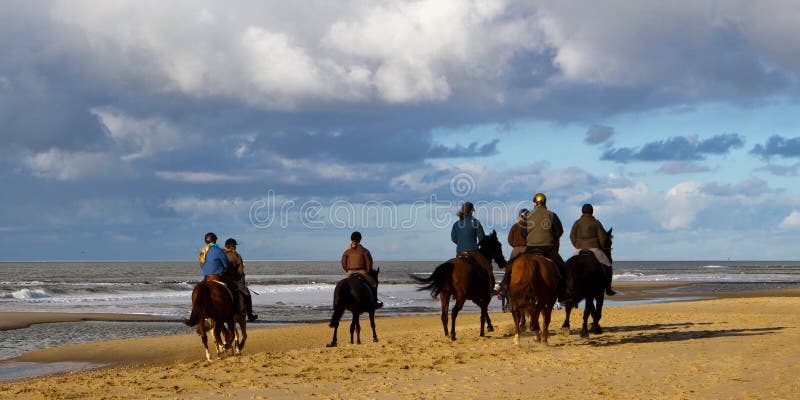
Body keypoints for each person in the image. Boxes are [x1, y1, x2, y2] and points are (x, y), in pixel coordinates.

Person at [521, 193, 568, 298]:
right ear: (545, 202)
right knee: (563, 268)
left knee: (514, 264)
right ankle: (563, 294)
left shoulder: (527, 216)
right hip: (548, 248)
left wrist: (531, 240)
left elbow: (523, 233)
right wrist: (552, 238)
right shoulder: (552, 215)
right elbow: (559, 231)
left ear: (534, 203)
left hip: (531, 248)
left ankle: (508, 289)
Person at [570, 203, 615, 295]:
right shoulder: (596, 223)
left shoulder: (577, 223)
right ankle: (608, 288)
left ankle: (568, 289)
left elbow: (572, 236)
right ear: (592, 211)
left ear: (582, 212)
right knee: (608, 265)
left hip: (578, 249)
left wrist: (577, 245)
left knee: (570, 267)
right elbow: (603, 238)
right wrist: (601, 246)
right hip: (594, 249)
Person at [450, 202, 495, 294]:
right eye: (472, 210)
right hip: (473, 251)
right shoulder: (475, 222)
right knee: (487, 267)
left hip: (459, 252)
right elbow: (482, 239)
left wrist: (462, 244)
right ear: (471, 211)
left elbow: (453, 238)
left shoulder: (456, 224)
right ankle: (490, 289)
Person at [198, 232, 241, 313]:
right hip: (218, 277)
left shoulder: (202, 252)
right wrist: (223, 269)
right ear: (215, 240)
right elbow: (226, 265)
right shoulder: (219, 251)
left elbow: (201, 265)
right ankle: (235, 312)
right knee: (235, 289)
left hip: (206, 278)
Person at [341, 231, 383, 308]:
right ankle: (375, 301)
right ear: (360, 239)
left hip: (350, 272)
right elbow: (369, 263)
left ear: (351, 239)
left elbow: (343, 263)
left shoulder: (347, 251)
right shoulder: (365, 251)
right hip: (362, 271)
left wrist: (347, 270)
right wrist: (368, 271)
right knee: (373, 283)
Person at [223, 238, 259, 321]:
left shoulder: (220, 254)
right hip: (233, 281)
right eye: (235, 245)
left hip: (220, 279)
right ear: (232, 246)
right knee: (247, 294)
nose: (235, 247)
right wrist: (241, 283)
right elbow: (240, 271)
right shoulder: (236, 255)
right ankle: (250, 315)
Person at [499, 208, 528, 294]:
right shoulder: (530, 226)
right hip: (527, 249)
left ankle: (503, 285)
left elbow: (509, 239)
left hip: (516, 250)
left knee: (509, 267)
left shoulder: (515, 226)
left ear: (520, 216)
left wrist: (515, 246)